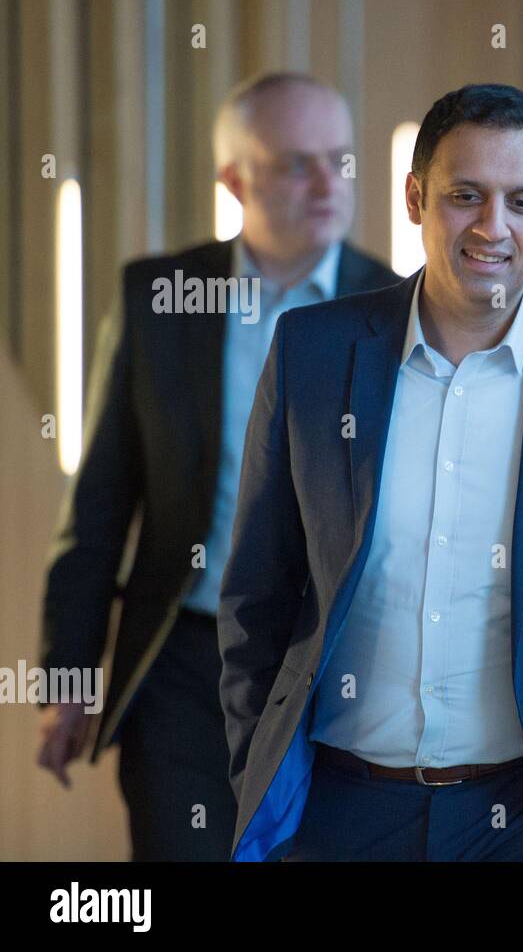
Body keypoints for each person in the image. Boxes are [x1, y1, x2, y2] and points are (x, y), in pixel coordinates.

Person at [217, 83, 523, 862]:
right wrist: (258, 755)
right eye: (465, 196)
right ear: (416, 196)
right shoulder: (313, 352)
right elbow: (257, 592)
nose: (494, 227)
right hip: (342, 813)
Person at [36, 71, 398, 861]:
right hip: (185, 668)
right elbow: (98, 506)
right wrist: (66, 676)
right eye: (295, 163)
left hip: (338, 668)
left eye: (338, 159)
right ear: (234, 180)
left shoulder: (399, 305)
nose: (326, 182)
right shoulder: (161, 297)